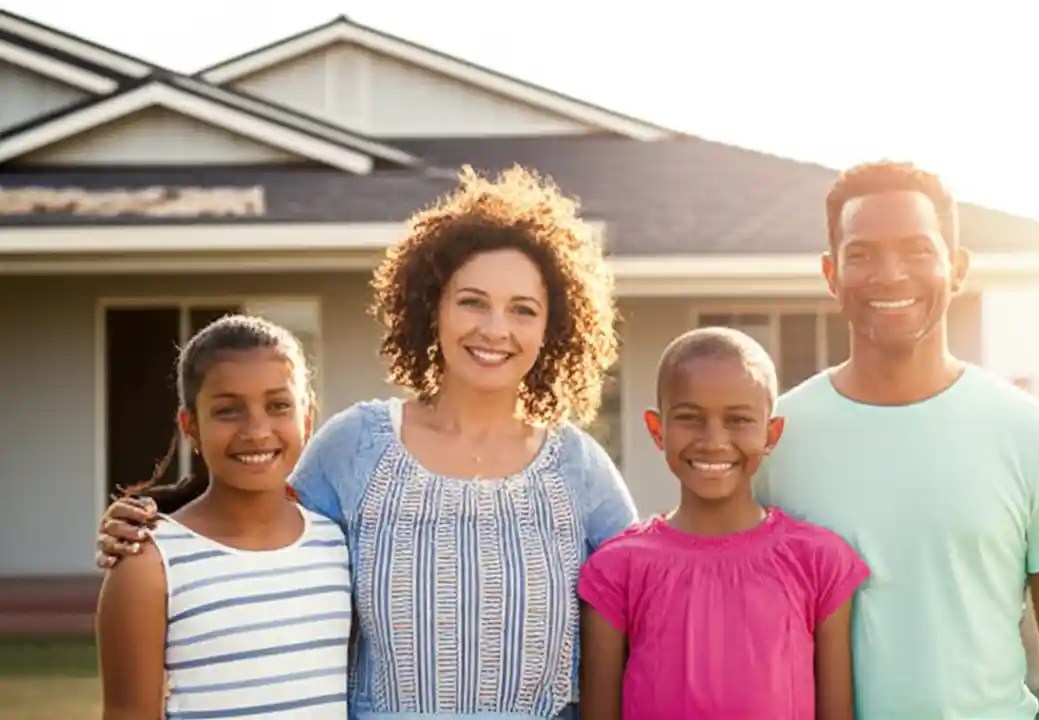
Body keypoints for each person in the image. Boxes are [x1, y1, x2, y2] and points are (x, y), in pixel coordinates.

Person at [94, 165, 639, 720]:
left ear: (553, 327)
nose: (495, 329)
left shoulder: (578, 468)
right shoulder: (357, 447)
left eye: (523, 309)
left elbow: (644, 593)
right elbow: (257, 517)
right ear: (434, 308)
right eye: (472, 301)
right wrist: (155, 516)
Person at [755, 161, 1039, 720]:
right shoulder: (774, 440)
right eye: (862, 254)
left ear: (958, 268)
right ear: (831, 273)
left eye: (918, 251)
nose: (890, 274)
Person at [579, 327, 868, 720]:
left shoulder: (819, 564)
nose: (714, 440)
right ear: (656, 429)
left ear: (771, 434)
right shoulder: (617, 570)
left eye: (738, 420)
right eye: (690, 419)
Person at [96, 314, 351, 720]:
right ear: (190, 426)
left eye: (278, 405)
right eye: (228, 411)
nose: (257, 429)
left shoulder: (338, 545)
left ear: (306, 416)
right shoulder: (148, 564)